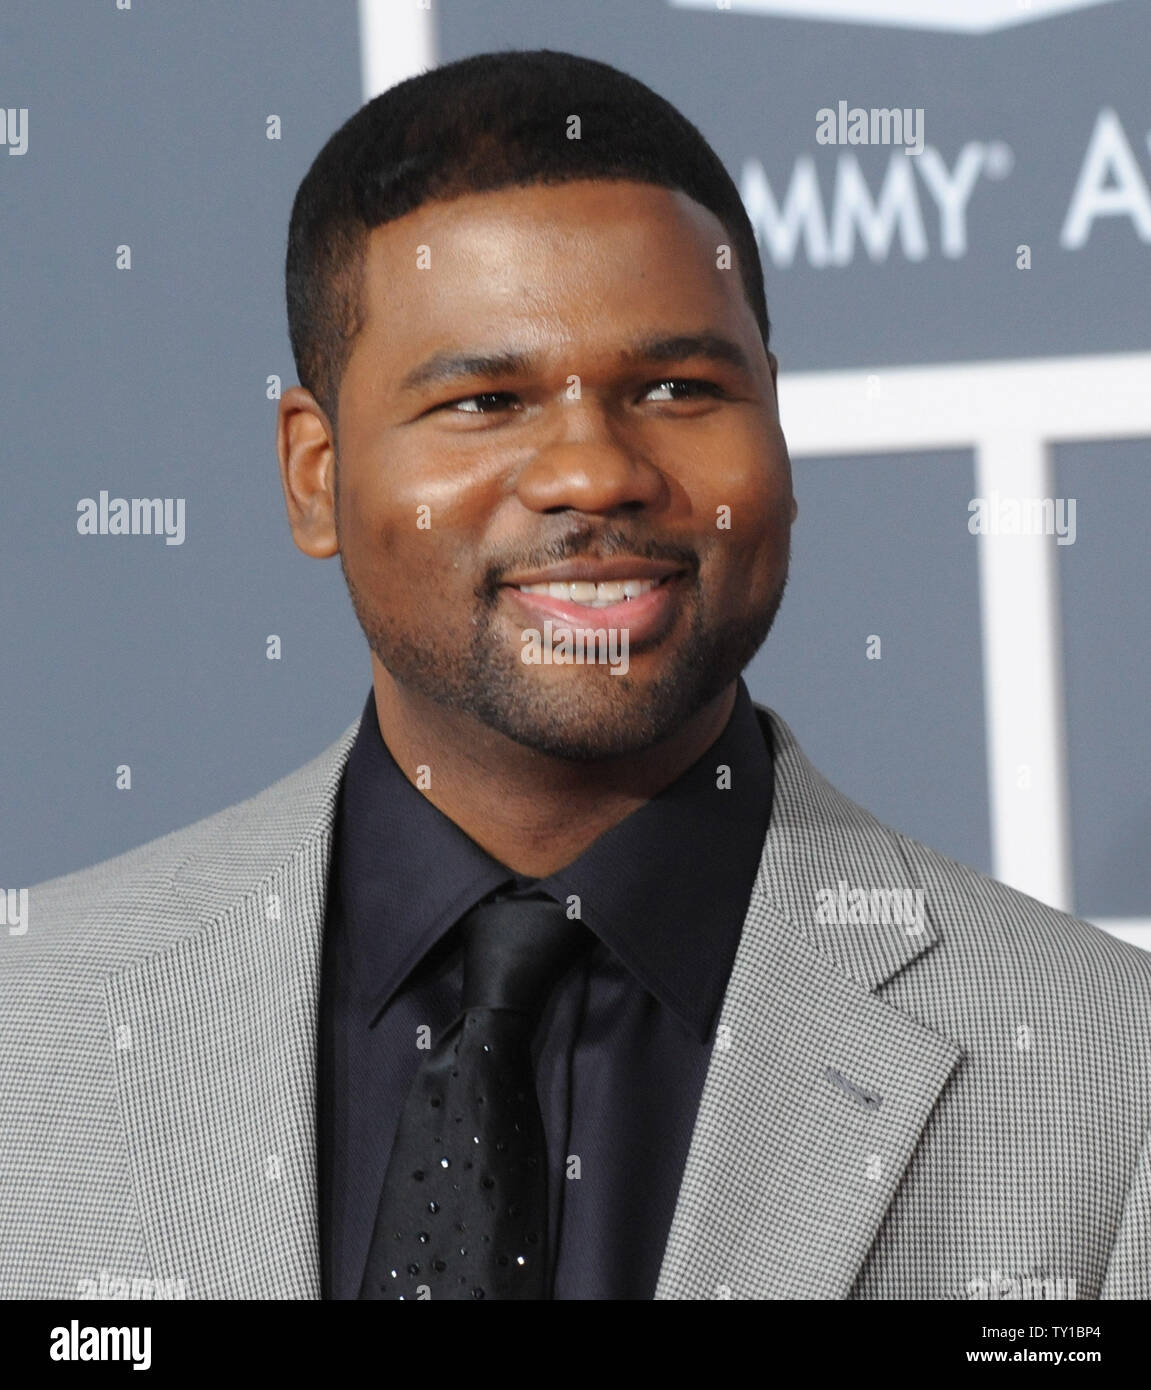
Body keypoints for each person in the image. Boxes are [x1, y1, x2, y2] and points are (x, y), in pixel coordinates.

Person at [2, 48, 1149, 1302]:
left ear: (775, 422)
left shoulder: (1104, 1070)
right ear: (315, 474)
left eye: (675, 387)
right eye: (485, 401)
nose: (593, 470)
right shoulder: (31, 1020)